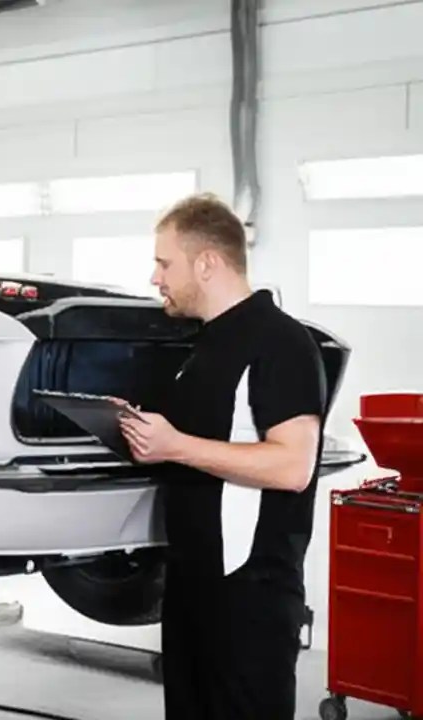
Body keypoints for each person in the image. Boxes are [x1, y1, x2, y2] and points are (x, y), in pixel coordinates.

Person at [118, 193, 327, 719]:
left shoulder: (281, 343)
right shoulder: (204, 347)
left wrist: (175, 445)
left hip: (249, 600)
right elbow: (200, 449)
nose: (155, 278)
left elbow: (293, 466)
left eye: (165, 263)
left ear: (207, 262)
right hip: (191, 589)